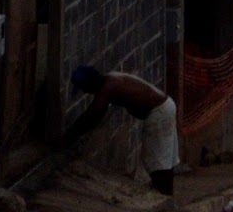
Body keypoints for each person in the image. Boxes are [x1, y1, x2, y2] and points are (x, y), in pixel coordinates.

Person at [65, 66, 179, 196]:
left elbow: (92, 114)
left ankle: (163, 195)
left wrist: (68, 137)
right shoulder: (110, 79)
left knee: (157, 160)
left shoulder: (107, 87)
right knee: (163, 159)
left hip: (159, 112)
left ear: (90, 84)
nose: (86, 92)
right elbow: (96, 114)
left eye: (85, 89)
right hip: (166, 106)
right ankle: (166, 195)